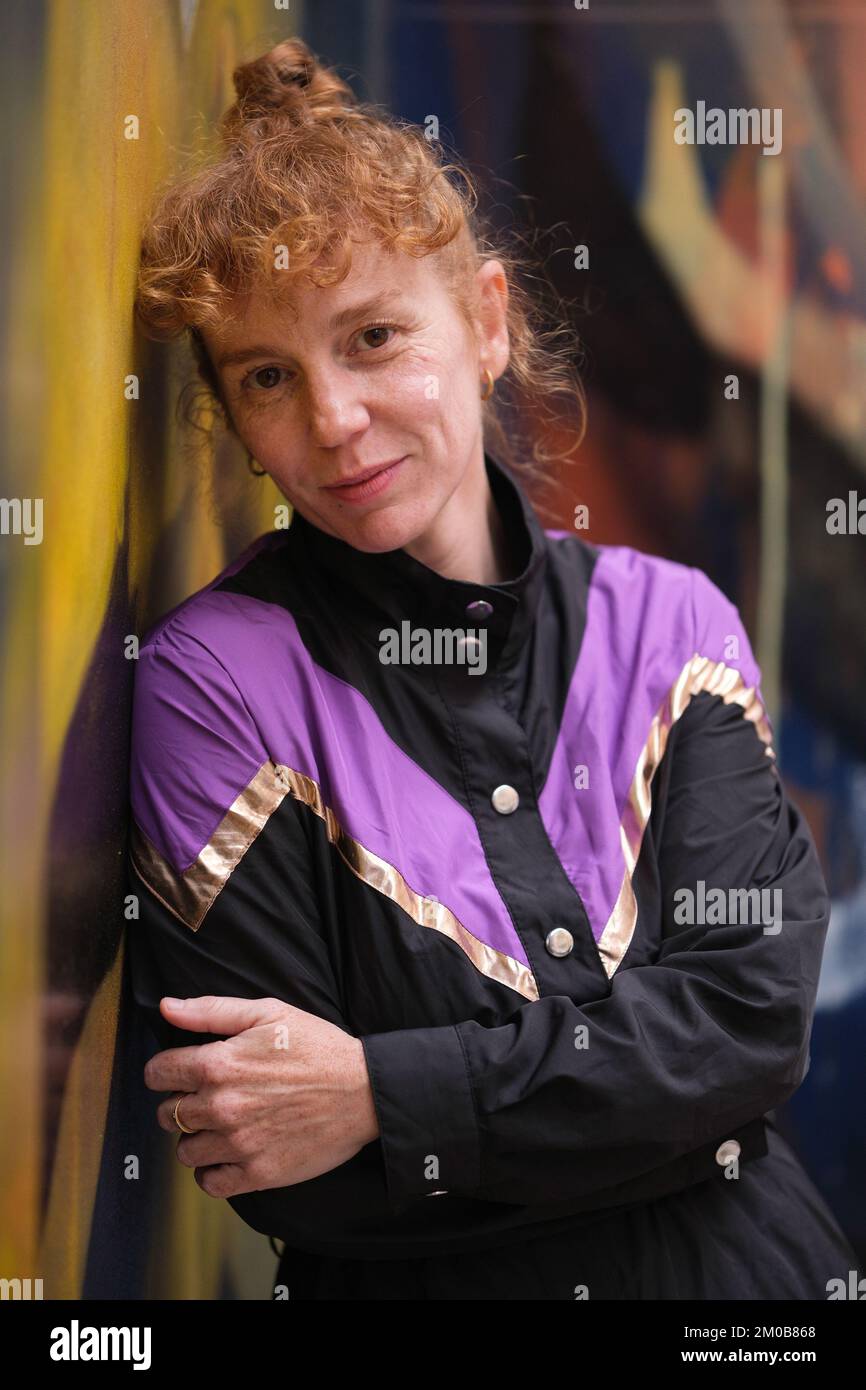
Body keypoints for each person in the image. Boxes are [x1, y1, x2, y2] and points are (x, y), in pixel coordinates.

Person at [127, 37, 862, 1300]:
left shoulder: (670, 628)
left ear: (484, 321)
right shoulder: (217, 685)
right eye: (267, 376)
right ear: (234, 420)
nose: (334, 419)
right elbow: (283, 1169)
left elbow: (747, 1032)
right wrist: (648, 1098)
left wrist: (378, 1090)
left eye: (371, 337)